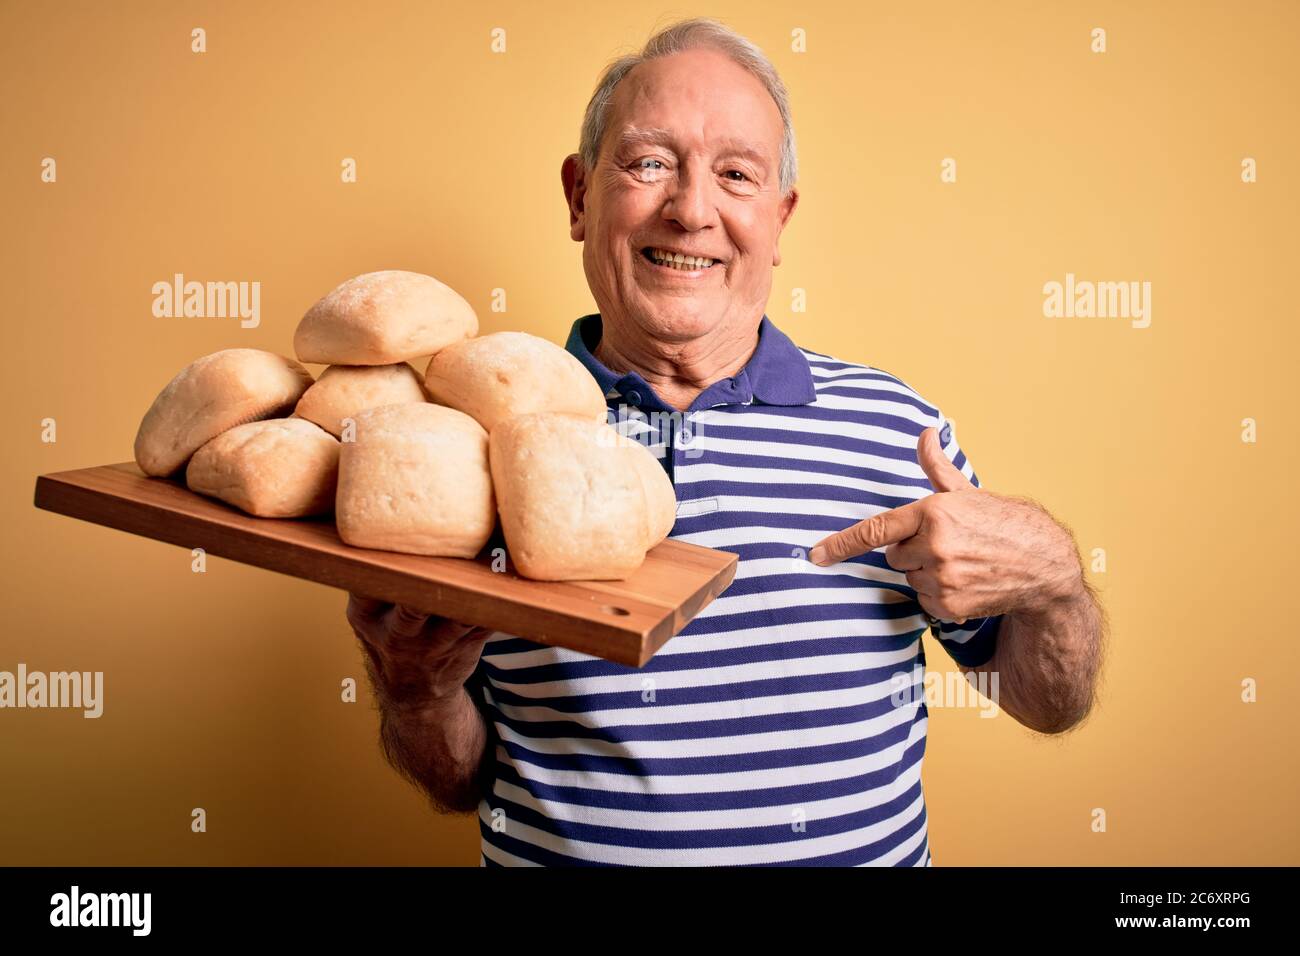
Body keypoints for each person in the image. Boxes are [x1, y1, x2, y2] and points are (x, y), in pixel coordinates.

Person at [348, 17, 1105, 866]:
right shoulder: (470, 449)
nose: (691, 211)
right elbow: (463, 782)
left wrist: (1056, 583)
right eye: (648, 164)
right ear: (578, 196)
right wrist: (416, 693)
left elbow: (1046, 702)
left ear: (779, 220)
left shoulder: (898, 432)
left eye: (736, 175)